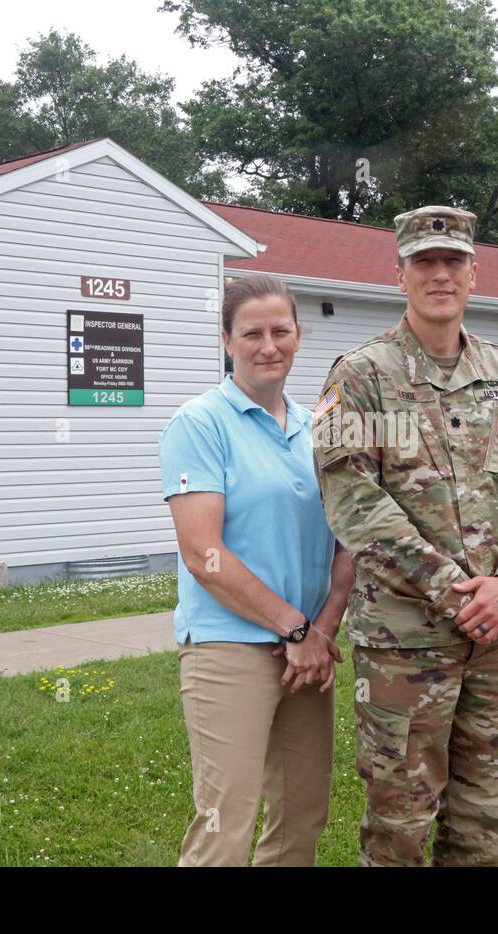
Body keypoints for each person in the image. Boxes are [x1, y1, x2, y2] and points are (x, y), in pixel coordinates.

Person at [312, 205, 498, 867]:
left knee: (484, 819)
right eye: (426, 262)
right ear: (402, 275)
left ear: (475, 274)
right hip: (405, 645)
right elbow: (354, 501)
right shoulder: (360, 377)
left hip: (497, 639)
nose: (440, 274)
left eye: (453, 261)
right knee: (399, 823)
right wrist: (455, 592)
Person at [159, 273, 354, 867]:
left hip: (307, 650)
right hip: (232, 646)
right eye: (252, 333)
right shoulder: (200, 423)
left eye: (281, 330)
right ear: (226, 340)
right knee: (227, 822)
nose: (269, 345)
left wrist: (320, 630)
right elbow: (204, 554)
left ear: (298, 334)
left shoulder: (318, 426)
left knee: (302, 815)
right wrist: (294, 628)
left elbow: (350, 535)